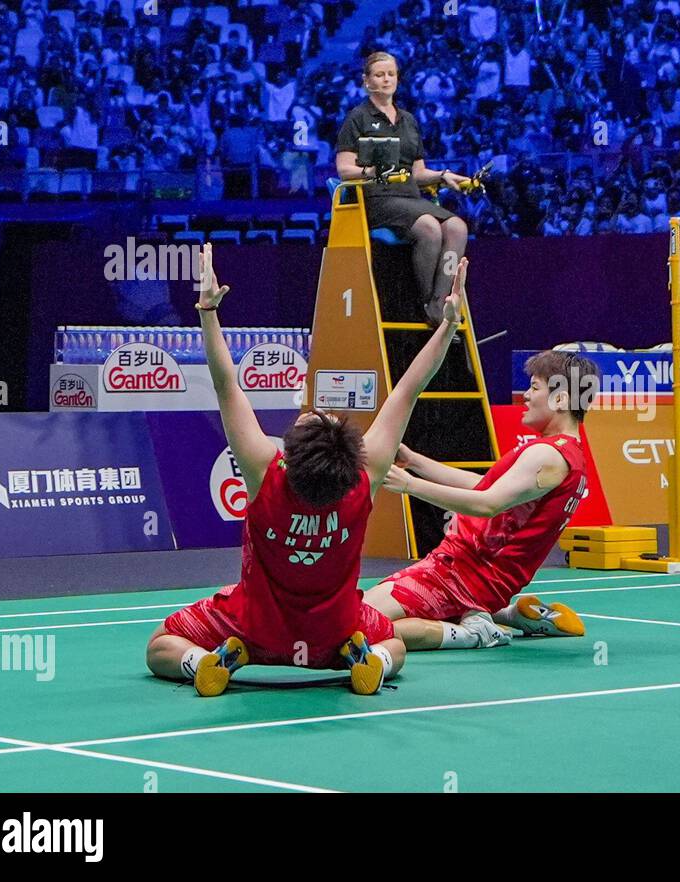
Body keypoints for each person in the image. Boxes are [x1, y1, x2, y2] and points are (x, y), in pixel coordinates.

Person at [146, 245, 469, 696]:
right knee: (393, 645)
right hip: (335, 632)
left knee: (161, 647)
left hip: (250, 626)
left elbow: (226, 386)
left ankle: (207, 662)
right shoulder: (364, 478)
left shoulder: (266, 474)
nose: (312, 410)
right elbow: (408, 390)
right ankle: (367, 661)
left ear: (291, 450)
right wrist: (449, 324)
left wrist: (207, 311)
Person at [362, 351, 602, 651]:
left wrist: (410, 485)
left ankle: (474, 633)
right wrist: (414, 461)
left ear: (561, 400)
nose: (526, 396)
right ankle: (505, 614)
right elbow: (483, 486)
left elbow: (487, 503)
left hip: (462, 576)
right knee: (362, 614)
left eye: (535, 387)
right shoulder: (569, 454)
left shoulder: (548, 456)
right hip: (470, 574)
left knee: (359, 623)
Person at [335, 52, 473, 326]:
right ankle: (423, 303)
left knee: (457, 227)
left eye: (391, 74)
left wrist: (444, 176)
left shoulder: (408, 120)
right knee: (430, 228)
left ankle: (440, 300)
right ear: (367, 81)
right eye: (379, 75)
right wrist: (373, 171)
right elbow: (344, 169)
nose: (386, 80)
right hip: (376, 198)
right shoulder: (358, 118)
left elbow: (418, 172)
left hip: (410, 197)